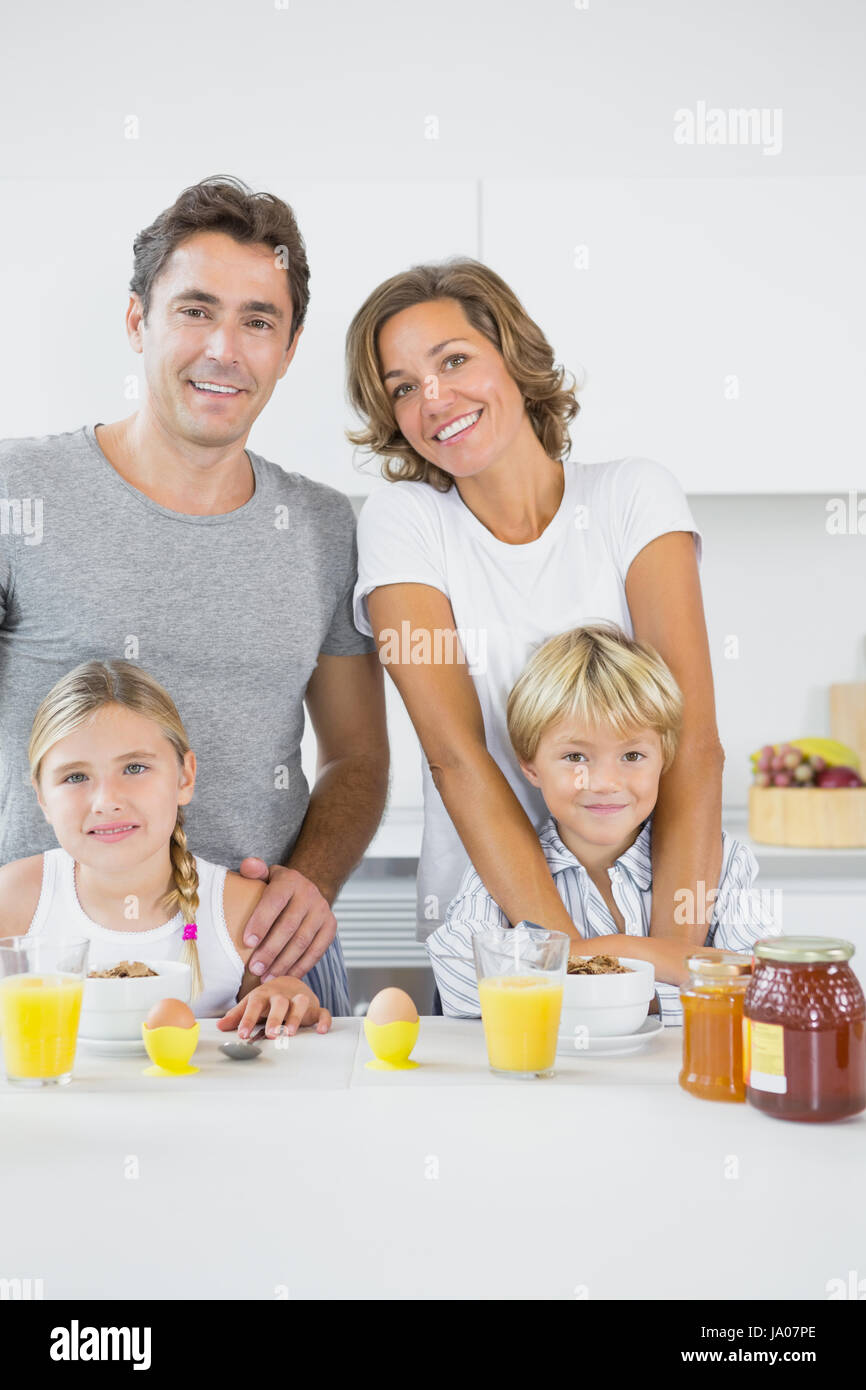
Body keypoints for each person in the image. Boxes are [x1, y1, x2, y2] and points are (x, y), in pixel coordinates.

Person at [0, 176, 389, 1015]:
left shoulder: (323, 527)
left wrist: (312, 883)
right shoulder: (16, 493)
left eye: (258, 321)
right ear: (139, 320)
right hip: (50, 966)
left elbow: (358, 758)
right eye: (195, 310)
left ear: (286, 351)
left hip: (265, 968)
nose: (225, 349)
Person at [347, 258, 726, 997]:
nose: (434, 398)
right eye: (402, 388)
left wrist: (663, 959)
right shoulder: (405, 525)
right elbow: (456, 757)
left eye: (454, 360)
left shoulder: (631, 498)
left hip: (652, 924)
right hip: (499, 942)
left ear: (514, 361)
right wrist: (576, 961)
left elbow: (694, 742)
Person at [426, 624, 777, 1021]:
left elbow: (762, 991)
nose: (606, 783)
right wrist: (657, 961)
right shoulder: (500, 870)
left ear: (665, 758)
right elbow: (460, 984)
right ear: (530, 765)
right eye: (576, 757)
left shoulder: (726, 863)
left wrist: (580, 962)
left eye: (631, 756)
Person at [0, 660, 331, 1038]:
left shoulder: (244, 913)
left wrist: (288, 996)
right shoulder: (11, 902)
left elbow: (269, 1031)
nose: (107, 801)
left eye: (135, 768)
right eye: (75, 776)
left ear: (185, 777)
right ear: (42, 798)